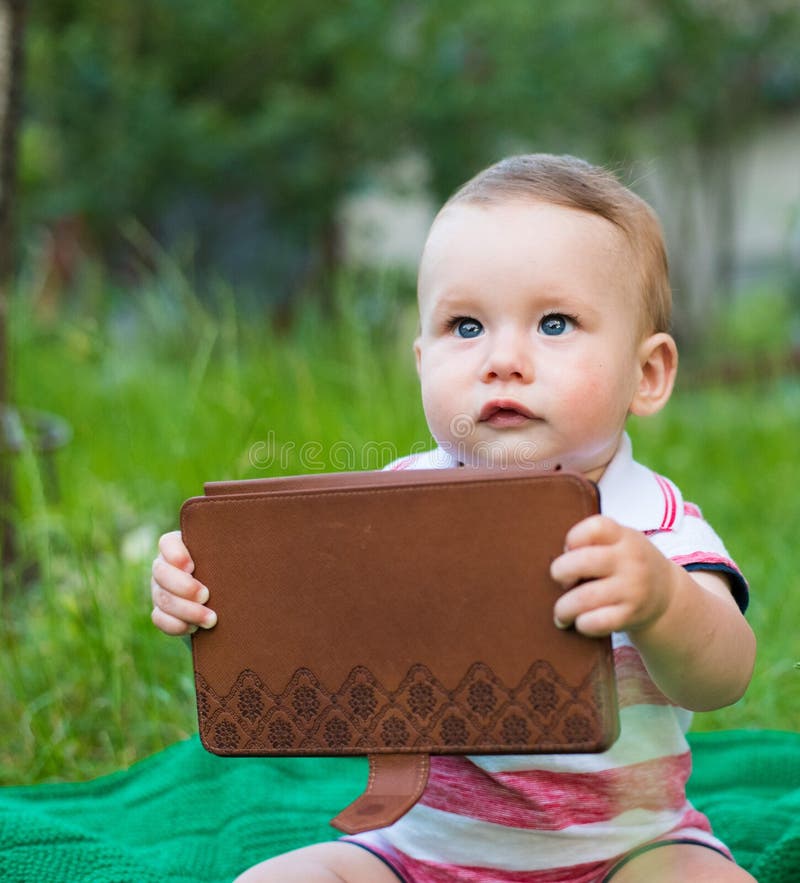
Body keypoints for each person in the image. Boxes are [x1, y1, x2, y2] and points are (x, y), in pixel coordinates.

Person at [151, 154, 757, 882]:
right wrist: (209, 591)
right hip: (420, 853)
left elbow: (723, 674)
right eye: (465, 326)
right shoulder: (394, 506)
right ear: (419, 361)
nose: (502, 359)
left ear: (648, 373)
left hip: (626, 850)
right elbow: (315, 613)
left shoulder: (654, 526)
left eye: (555, 323)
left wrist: (662, 599)